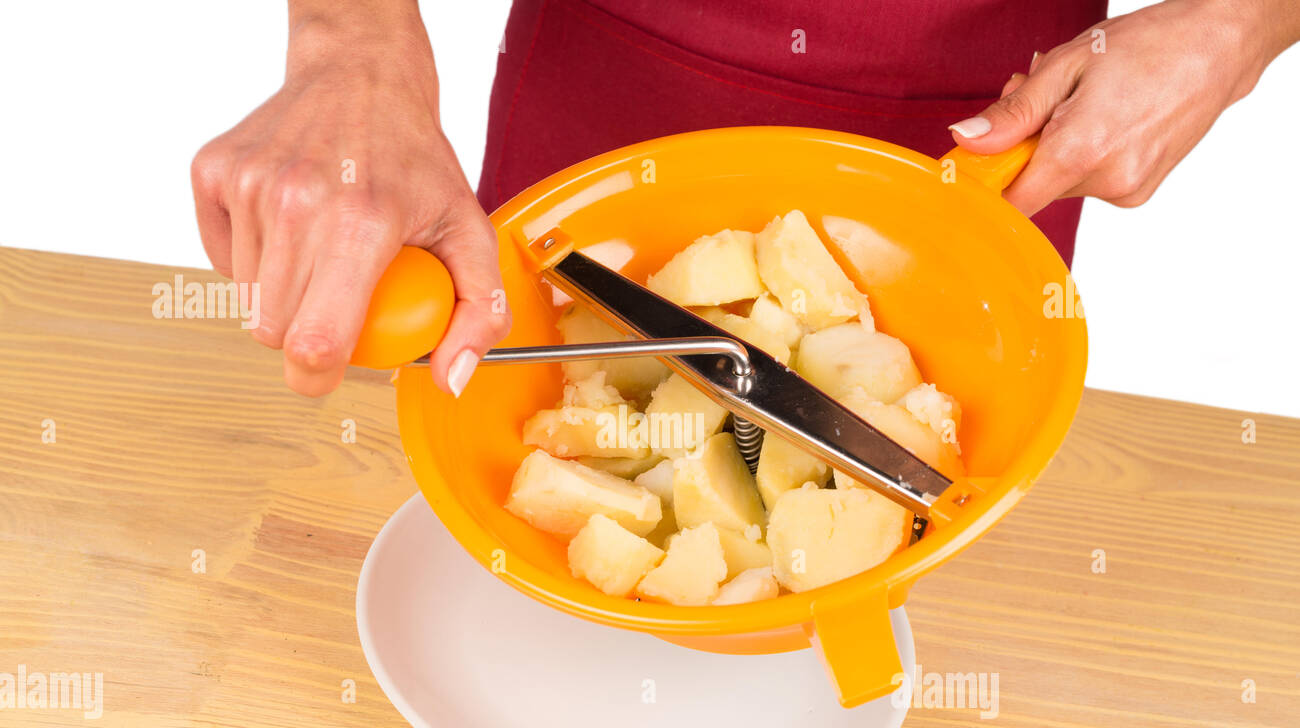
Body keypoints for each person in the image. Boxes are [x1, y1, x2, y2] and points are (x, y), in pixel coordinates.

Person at [190, 0, 1300, 398]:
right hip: (605, 63)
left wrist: (1240, 20)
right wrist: (352, 39)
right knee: (532, 405)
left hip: (996, 110)